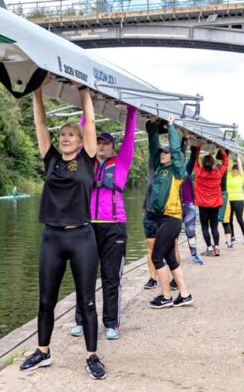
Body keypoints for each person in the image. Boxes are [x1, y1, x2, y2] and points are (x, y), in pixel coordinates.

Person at [19, 76, 106, 380]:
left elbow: (91, 121)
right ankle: (43, 351)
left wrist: (84, 92)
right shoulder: (52, 159)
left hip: (82, 236)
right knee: (46, 299)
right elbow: (41, 124)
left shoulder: (87, 160)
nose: (66, 137)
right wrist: (37, 91)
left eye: (72, 134)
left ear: (81, 142)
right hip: (52, 237)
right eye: (63, 134)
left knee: (87, 300)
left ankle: (92, 356)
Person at [71, 105, 138, 341]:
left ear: (113, 147)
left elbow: (130, 137)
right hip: (88, 227)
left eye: (106, 143)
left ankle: (111, 324)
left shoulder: (121, 163)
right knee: (85, 276)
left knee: (111, 278)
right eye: (98, 142)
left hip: (114, 227)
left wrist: (132, 113)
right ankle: (80, 320)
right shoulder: (87, 162)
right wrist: (84, 109)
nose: (100, 145)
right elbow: (81, 136)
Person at [146, 114, 194, 308]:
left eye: (165, 153)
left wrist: (171, 127)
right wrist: (152, 126)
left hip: (171, 218)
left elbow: (176, 150)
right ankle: (185, 294)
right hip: (161, 218)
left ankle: (166, 296)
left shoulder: (178, 171)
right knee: (170, 258)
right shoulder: (159, 169)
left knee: (156, 257)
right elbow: (152, 146)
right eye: (162, 152)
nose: (163, 154)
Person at [193, 145, 228, 257]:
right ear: (213, 163)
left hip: (203, 205)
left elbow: (194, 160)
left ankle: (209, 248)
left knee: (204, 227)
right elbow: (226, 164)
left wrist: (198, 146)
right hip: (215, 205)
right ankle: (216, 247)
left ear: (203, 163)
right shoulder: (218, 173)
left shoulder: (199, 172)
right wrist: (222, 151)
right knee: (214, 227)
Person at [141, 118, 161, 290]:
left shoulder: (174, 169)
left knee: (170, 248)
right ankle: (152, 278)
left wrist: (184, 139)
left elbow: (179, 153)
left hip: (166, 214)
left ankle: (173, 278)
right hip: (149, 211)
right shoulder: (154, 166)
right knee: (150, 246)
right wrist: (152, 125)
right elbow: (153, 144)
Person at [180, 135, 203, 265]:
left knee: (190, 231)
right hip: (176, 206)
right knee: (173, 234)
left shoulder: (186, 171)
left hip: (188, 206)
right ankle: (169, 256)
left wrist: (189, 141)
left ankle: (194, 255)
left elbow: (192, 158)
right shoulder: (171, 173)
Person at [224, 155, 244, 246]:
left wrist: (238, 159)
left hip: (239, 200)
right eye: (233, 171)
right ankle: (232, 237)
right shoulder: (228, 176)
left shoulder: (241, 176)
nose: (235, 172)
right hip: (228, 200)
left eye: (236, 171)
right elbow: (225, 166)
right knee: (229, 220)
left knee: (239, 219)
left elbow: (241, 168)